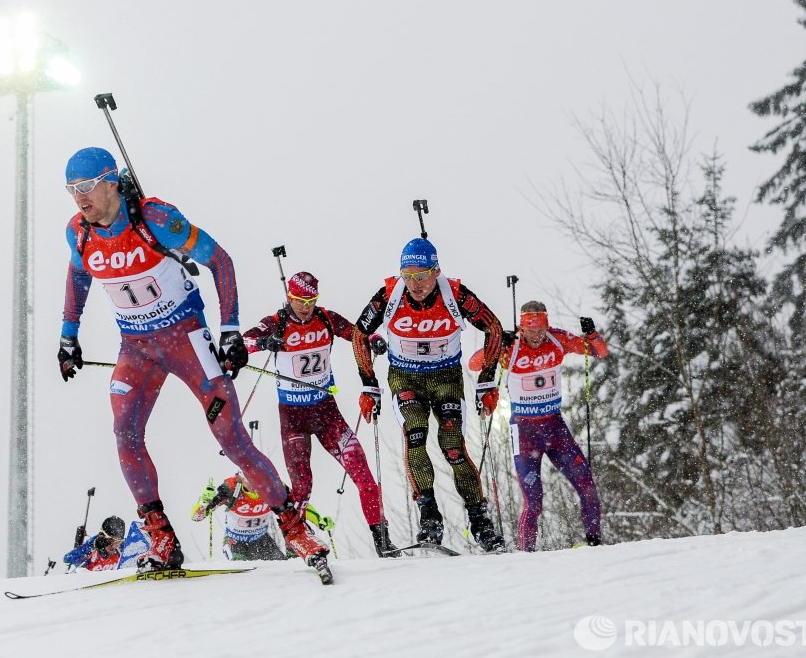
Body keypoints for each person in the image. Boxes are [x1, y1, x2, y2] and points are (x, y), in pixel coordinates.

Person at [57, 147, 327, 570]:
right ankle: (162, 539)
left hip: (186, 340)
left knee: (231, 437)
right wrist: (68, 335)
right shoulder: (79, 233)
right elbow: (77, 275)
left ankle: (295, 529)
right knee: (124, 433)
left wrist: (231, 330)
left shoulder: (156, 220)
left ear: (112, 182)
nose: (80, 197)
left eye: (87, 187)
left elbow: (220, 260)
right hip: (137, 349)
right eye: (72, 189)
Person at [351, 238, 506, 551]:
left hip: (445, 376)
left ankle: (480, 522)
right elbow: (359, 333)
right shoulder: (390, 295)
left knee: (453, 446)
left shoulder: (456, 294)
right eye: (407, 276)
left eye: (421, 276)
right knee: (415, 435)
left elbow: (494, 328)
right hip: (404, 376)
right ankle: (429, 515)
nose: (414, 284)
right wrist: (369, 383)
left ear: (436, 271)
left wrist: (487, 381)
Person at [243, 272, 399, 557]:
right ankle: (297, 542)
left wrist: (374, 338)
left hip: (327, 413)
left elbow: (355, 333)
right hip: (293, 418)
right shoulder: (276, 323)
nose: (306, 307)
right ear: (290, 297)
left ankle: (383, 541)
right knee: (302, 486)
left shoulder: (325, 318)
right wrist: (265, 343)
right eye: (301, 301)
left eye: (311, 300)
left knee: (363, 474)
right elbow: (244, 343)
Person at [470, 301, 607, 551]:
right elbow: (474, 363)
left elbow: (599, 351)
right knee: (533, 502)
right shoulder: (510, 348)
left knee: (587, 486)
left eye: (540, 329)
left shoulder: (556, 339)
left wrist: (592, 334)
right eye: (531, 331)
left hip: (555, 428)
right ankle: (527, 555)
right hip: (524, 432)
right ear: (522, 328)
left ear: (546, 325)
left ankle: (594, 543)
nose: (536, 336)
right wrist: (498, 340)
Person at [190, 474, 336, 561]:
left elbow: (297, 505)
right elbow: (197, 517)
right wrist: (203, 502)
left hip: (262, 540)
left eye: (256, 479)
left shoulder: (272, 486)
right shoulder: (230, 488)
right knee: (245, 575)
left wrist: (319, 521)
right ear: (240, 476)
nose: (253, 485)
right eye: (247, 480)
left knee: (283, 571)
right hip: (235, 542)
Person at [62, 515, 151, 571]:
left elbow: (142, 549)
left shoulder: (121, 548)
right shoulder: (92, 550)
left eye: (118, 541)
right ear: (102, 538)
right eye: (111, 541)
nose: (115, 546)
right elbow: (67, 559)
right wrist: (92, 545)